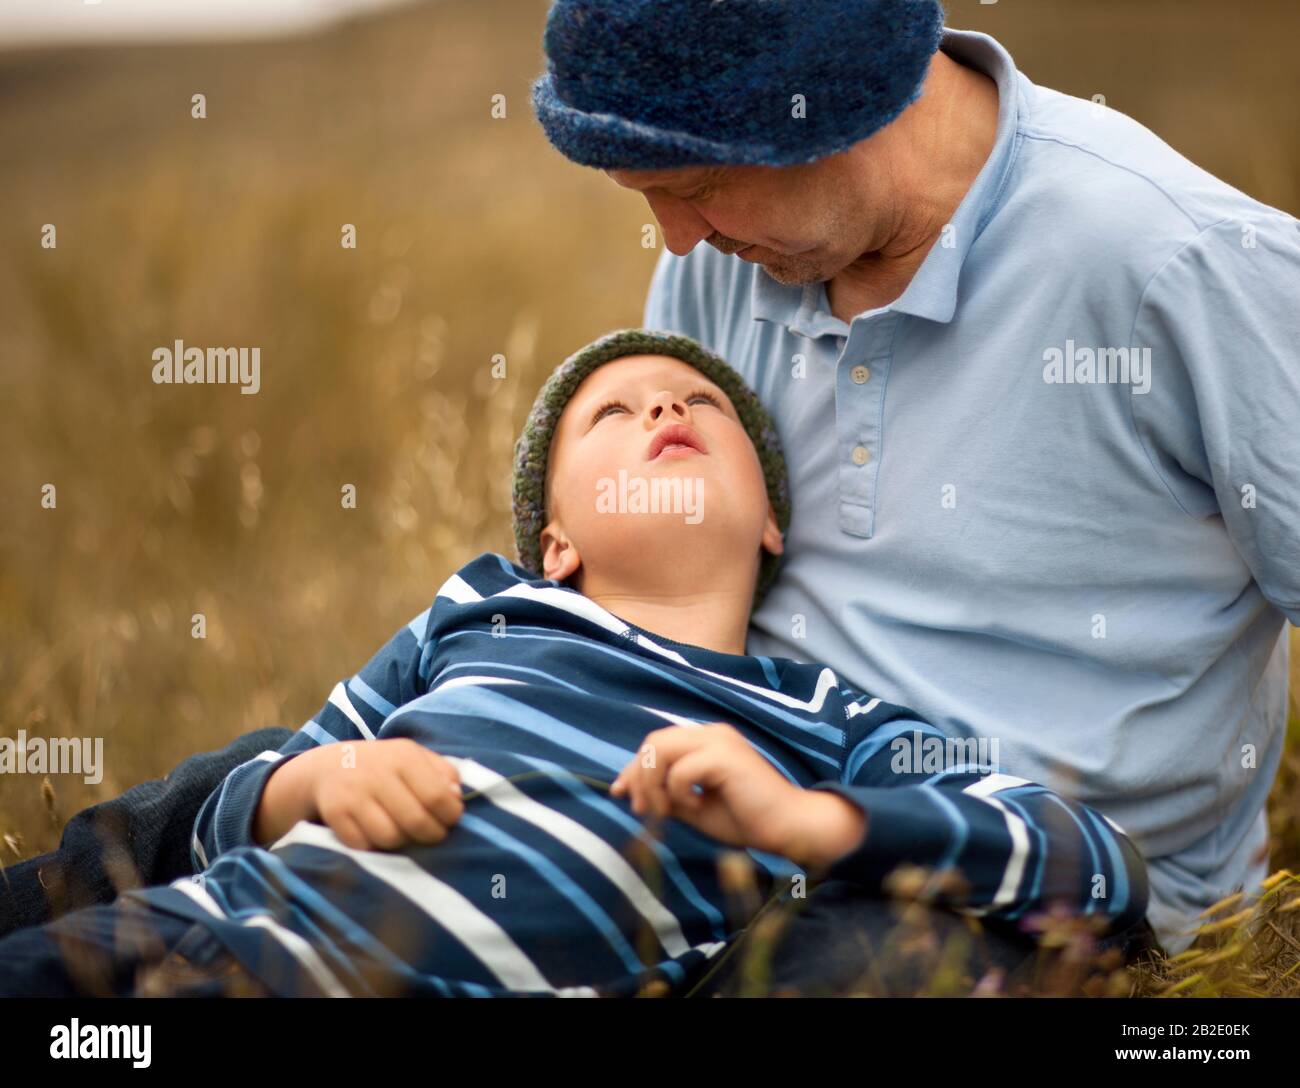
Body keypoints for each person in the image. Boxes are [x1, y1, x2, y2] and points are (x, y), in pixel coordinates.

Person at [0, 329, 1149, 997]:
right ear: (555, 541)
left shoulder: (824, 715)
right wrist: (311, 784)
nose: (663, 403)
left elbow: (1092, 860)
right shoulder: (485, 607)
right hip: (210, 933)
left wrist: (812, 826)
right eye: (613, 412)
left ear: (768, 525)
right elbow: (234, 801)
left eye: (702, 403)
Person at [531, 0, 1300, 961]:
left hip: (1045, 908)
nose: (679, 239)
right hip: (733, 841)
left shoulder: (1182, 264)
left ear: (840, 101)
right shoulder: (722, 267)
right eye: (645, 193)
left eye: (697, 185)